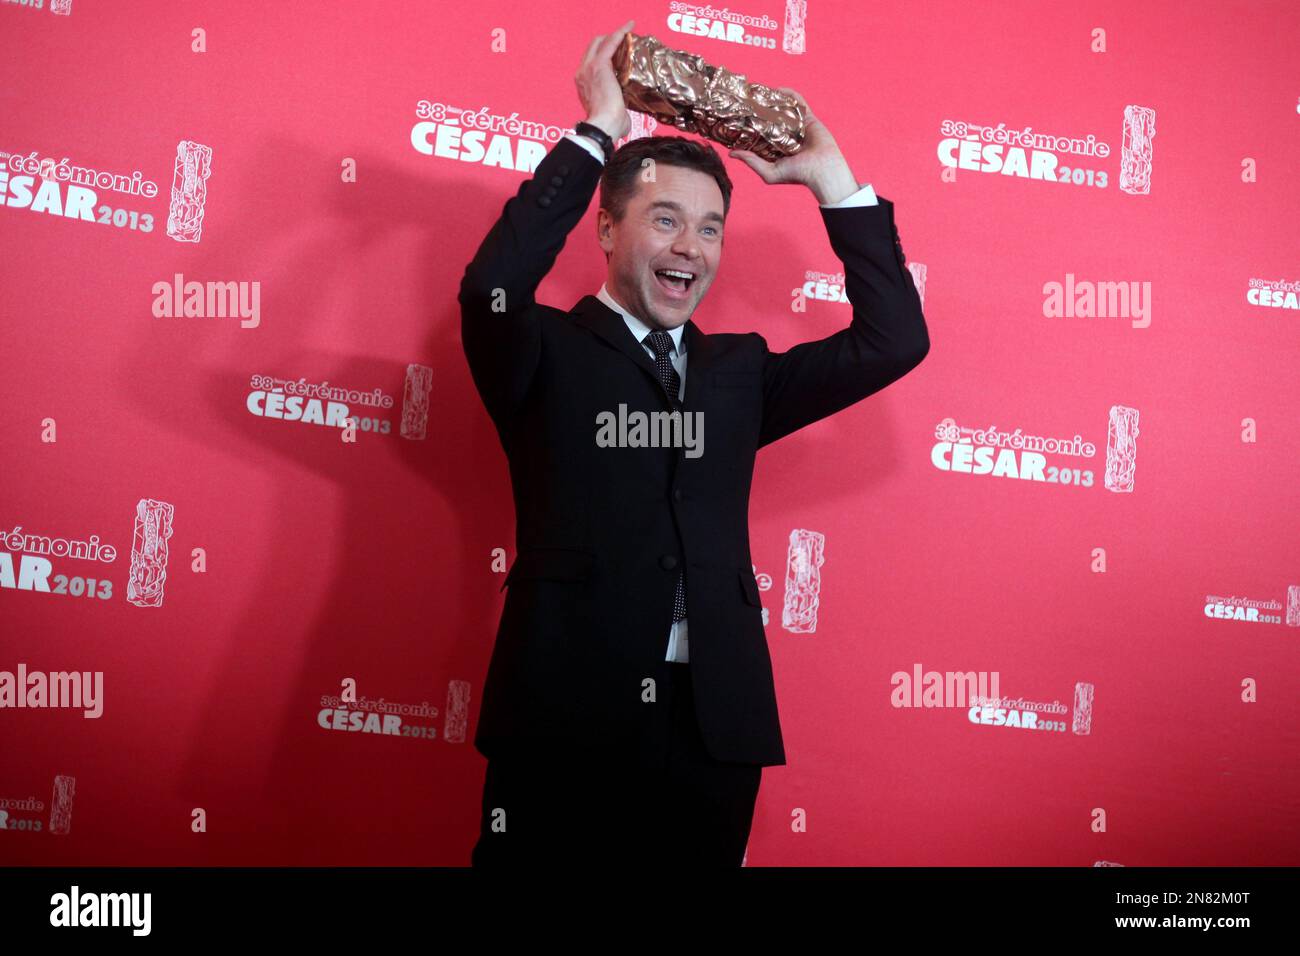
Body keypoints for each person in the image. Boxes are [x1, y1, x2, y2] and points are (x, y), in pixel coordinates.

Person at [461, 19, 930, 866]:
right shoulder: (541, 353)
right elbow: (491, 284)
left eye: (710, 228)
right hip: (566, 712)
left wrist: (831, 178)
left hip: (715, 727)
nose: (690, 248)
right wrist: (598, 130)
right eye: (666, 220)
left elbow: (895, 339)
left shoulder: (740, 375)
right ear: (606, 230)